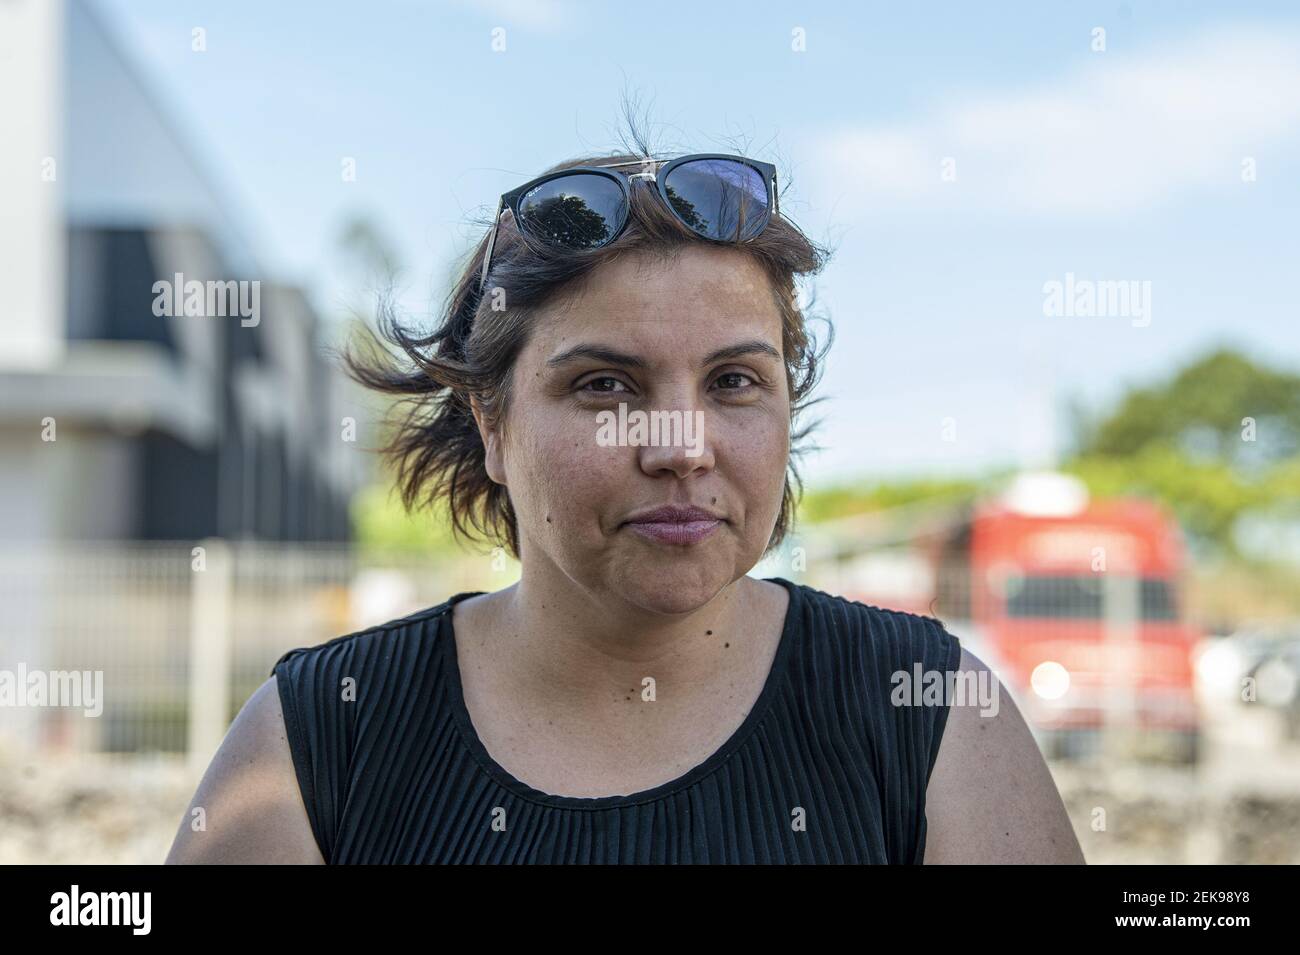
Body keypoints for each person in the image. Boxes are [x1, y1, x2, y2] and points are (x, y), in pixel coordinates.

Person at [166, 140, 1084, 865]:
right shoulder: (326, 735)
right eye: (606, 385)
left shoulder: (925, 715)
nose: (682, 445)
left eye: (733, 380)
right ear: (491, 420)